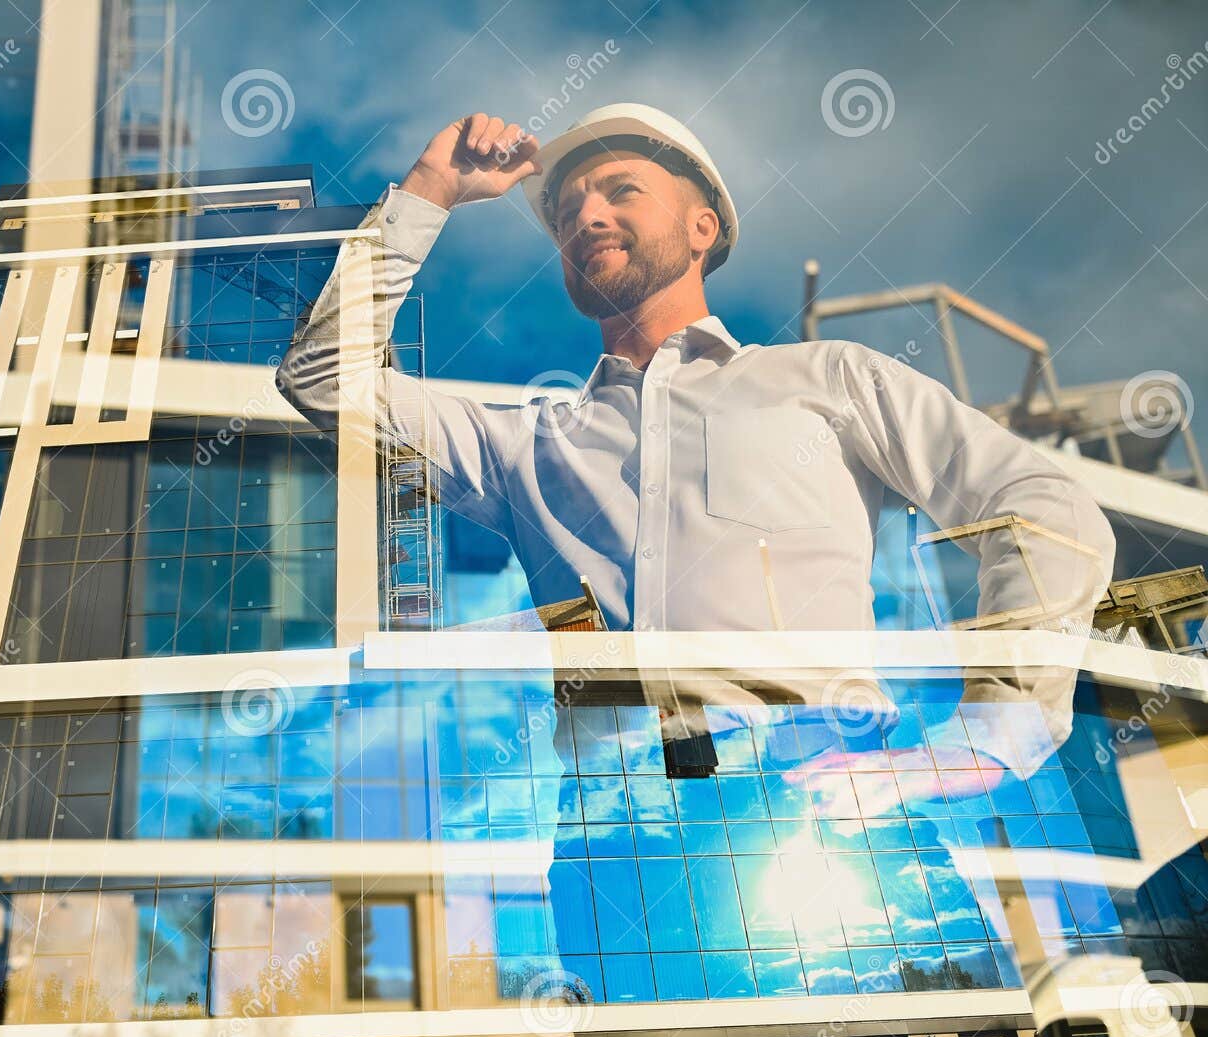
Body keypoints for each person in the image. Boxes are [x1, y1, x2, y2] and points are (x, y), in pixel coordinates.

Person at [276, 104, 1116, 812]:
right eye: (568, 210)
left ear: (701, 228)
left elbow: (1046, 504)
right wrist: (431, 191)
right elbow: (323, 378)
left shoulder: (827, 380)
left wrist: (987, 736)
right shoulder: (528, 444)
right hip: (611, 851)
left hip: (830, 817)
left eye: (621, 191)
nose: (586, 216)